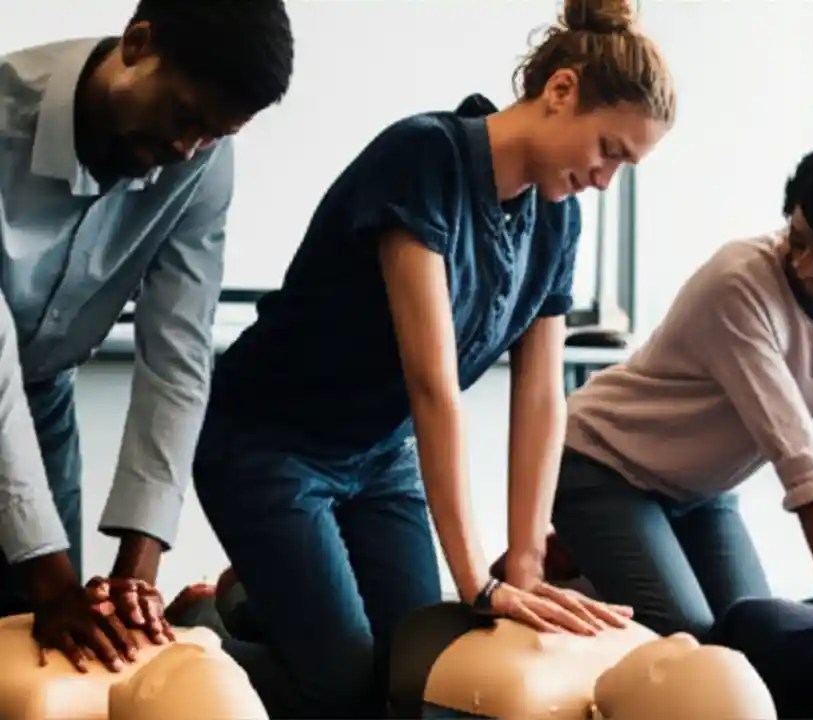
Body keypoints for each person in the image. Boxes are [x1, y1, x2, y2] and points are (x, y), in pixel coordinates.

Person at [187, 1, 675, 716]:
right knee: (346, 683)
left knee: (420, 664)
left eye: (624, 166)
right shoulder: (423, 157)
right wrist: (478, 582)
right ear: (561, 90)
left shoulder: (557, 217)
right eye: (608, 150)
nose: (606, 180)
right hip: (269, 444)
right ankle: (201, 628)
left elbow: (541, 395)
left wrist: (526, 563)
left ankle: (256, 601)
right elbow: (432, 384)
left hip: (380, 454)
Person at [550, 141, 813, 640]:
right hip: (602, 464)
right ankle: (578, 563)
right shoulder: (739, 282)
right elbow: (796, 452)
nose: (804, 264)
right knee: (694, 642)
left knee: (758, 633)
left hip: (701, 492)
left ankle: (587, 563)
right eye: (797, 239)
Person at [0, 0, 293, 673]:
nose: (188, 150)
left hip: (42, 403)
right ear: (138, 44)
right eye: (184, 117)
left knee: (48, 660)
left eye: (214, 134)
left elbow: (178, 355)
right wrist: (51, 580)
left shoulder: (203, 160)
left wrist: (138, 570)